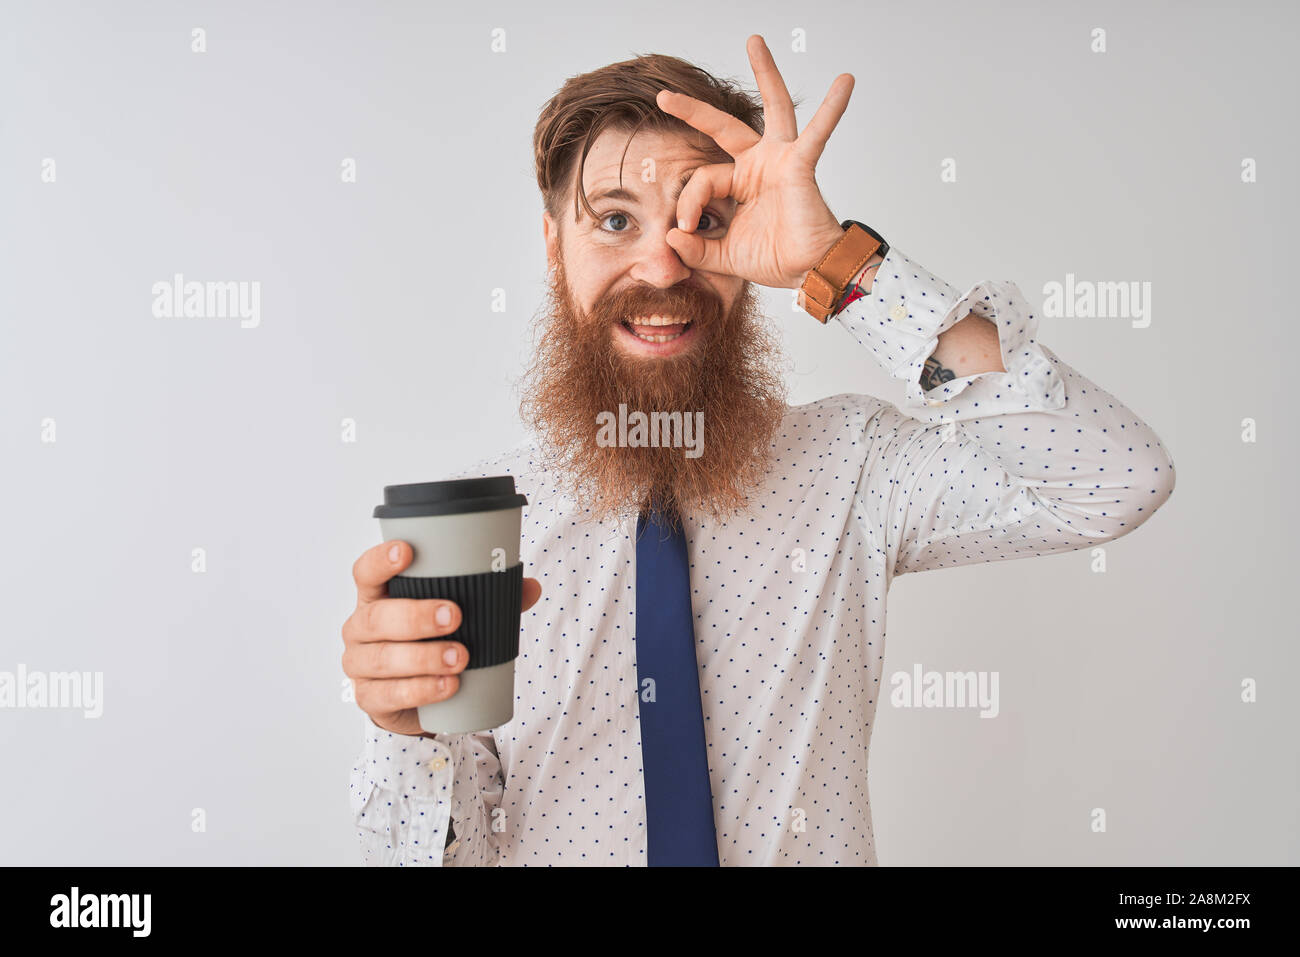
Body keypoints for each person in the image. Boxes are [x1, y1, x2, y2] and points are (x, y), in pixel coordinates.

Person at [342, 35, 1175, 866]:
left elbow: (1113, 478)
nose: (663, 265)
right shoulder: (480, 522)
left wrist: (841, 266)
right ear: (555, 246)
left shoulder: (854, 463)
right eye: (615, 220)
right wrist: (405, 732)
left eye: (705, 220)